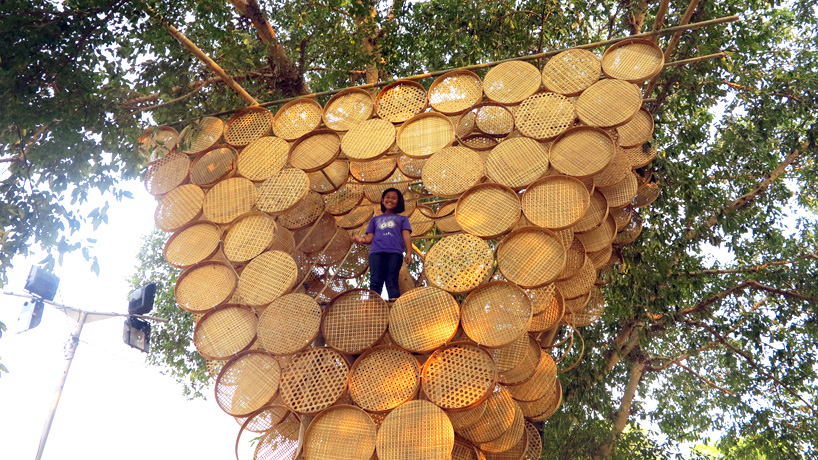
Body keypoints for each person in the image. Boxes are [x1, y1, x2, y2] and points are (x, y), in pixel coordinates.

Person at [351, 188, 413, 300]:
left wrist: (409, 252)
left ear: (398, 202)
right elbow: (369, 238)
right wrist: (360, 239)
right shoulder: (375, 220)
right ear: (382, 200)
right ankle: (373, 306)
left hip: (394, 253)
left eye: (394, 198)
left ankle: (394, 305)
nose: (390, 200)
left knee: (392, 280)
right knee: (375, 281)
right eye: (387, 197)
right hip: (376, 253)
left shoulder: (402, 219)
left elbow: (406, 236)